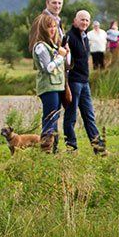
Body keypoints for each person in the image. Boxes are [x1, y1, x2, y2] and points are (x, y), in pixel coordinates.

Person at [63, 10, 106, 154]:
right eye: (82, 19)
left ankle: (99, 148)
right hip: (73, 82)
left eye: (87, 20)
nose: (85, 22)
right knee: (71, 117)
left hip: (84, 82)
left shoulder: (85, 37)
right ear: (75, 21)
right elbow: (65, 60)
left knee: (89, 116)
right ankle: (71, 147)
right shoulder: (69, 37)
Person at [30, 13, 68, 153]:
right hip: (48, 87)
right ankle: (46, 150)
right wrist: (60, 56)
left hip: (56, 86)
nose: (52, 30)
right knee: (50, 118)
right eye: (49, 27)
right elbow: (48, 68)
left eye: (54, 26)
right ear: (42, 29)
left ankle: (53, 150)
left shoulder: (52, 45)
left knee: (54, 118)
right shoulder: (40, 46)